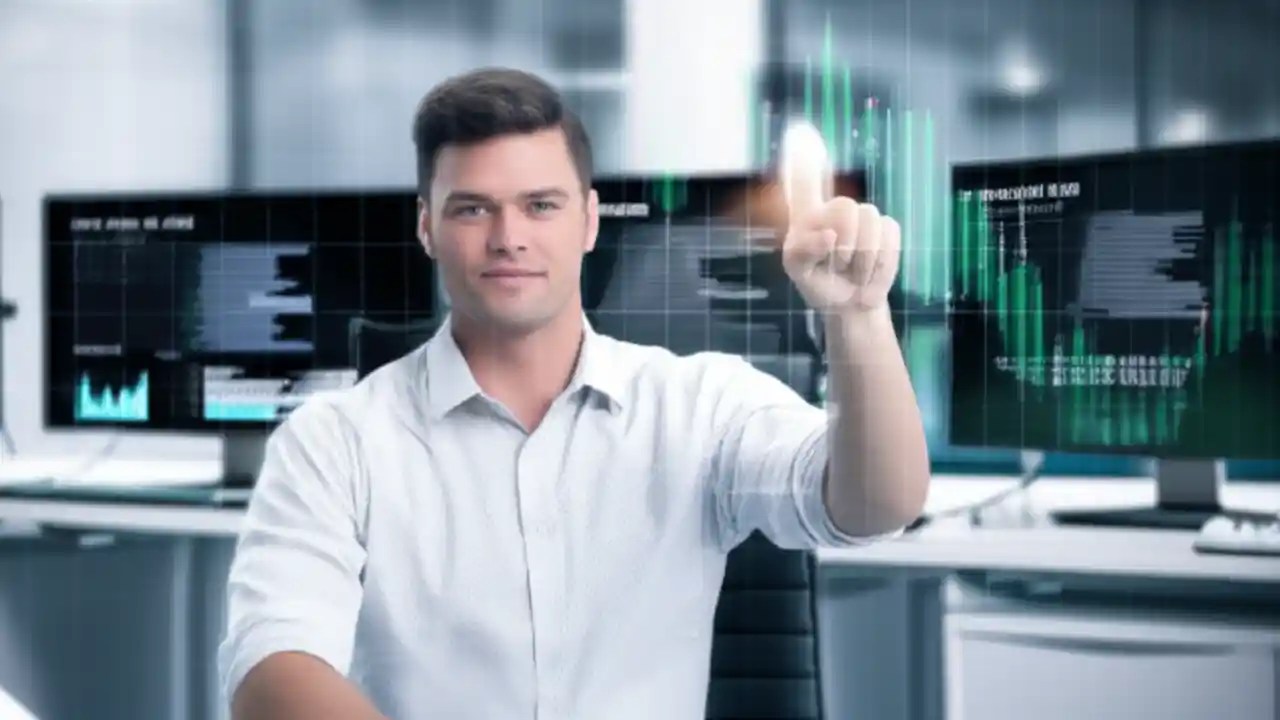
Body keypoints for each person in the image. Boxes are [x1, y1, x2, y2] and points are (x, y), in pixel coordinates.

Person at [218, 66, 930, 720]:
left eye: (540, 205)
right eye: (472, 209)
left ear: (589, 221)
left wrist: (858, 316)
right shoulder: (332, 440)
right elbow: (271, 667)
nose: (508, 238)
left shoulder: (699, 406)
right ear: (427, 228)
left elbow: (875, 506)